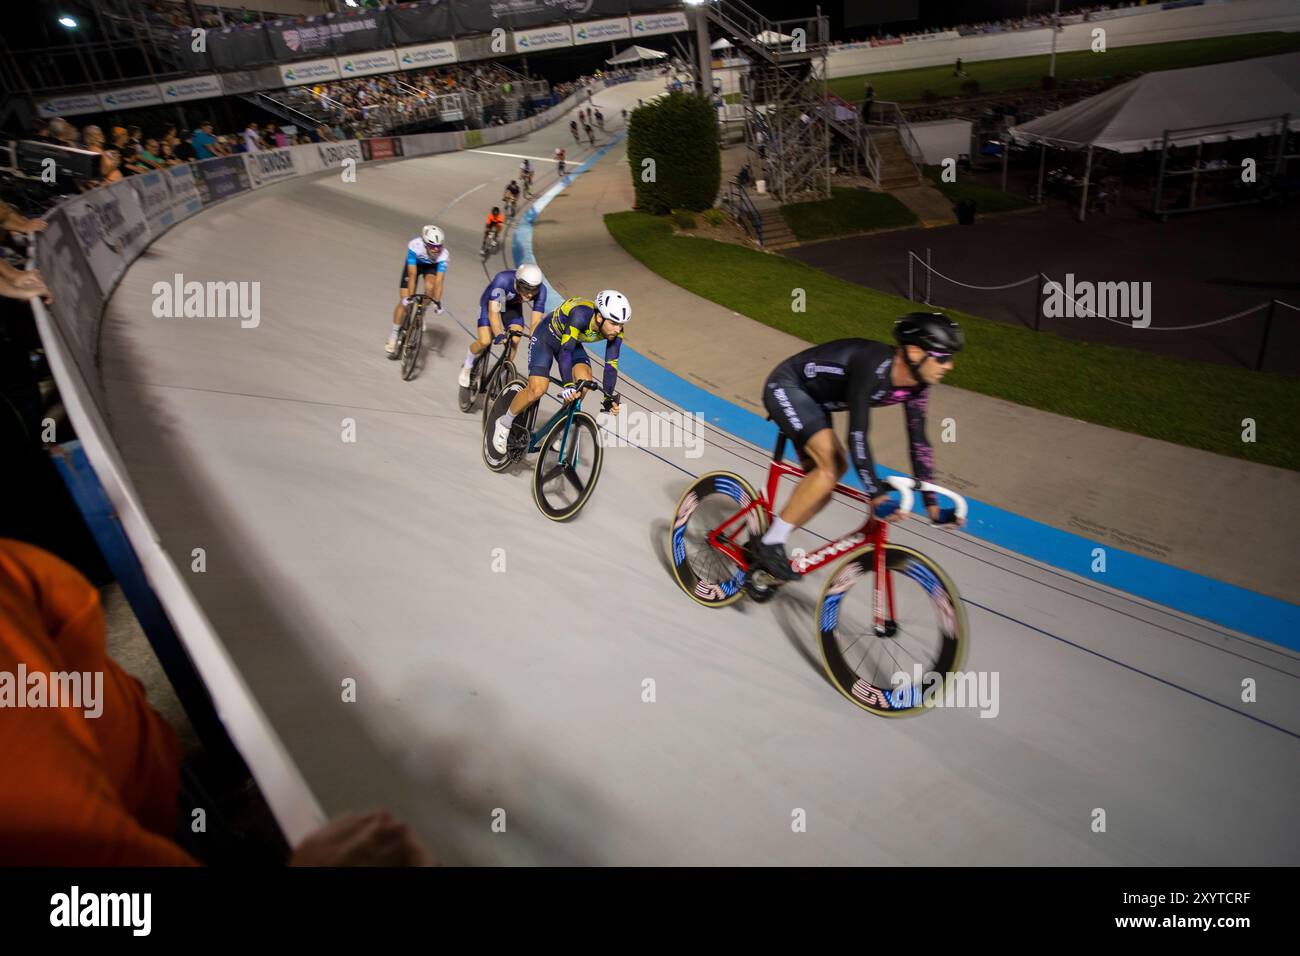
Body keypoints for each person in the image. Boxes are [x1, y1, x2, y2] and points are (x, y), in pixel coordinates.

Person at [749, 312, 965, 581]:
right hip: (787, 386)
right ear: (913, 351)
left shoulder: (916, 387)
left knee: (824, 488)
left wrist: (931, 505)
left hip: (814, 403)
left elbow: (919, 442)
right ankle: (770, 543)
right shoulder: (873, 363)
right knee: (830, 467)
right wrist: (875, 493)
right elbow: (858, 435)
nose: (949, 366)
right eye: (943, 357)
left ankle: (768, 542)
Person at [491, 291, 630, 455]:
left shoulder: (616, 332)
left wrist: (608, 398)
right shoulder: (580, 314)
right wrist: (568, 385)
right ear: (599, 317)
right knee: (538, 389)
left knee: (584, 383)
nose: (618, 328)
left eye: (621, 324)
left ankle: (558, 428)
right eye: (614, 323)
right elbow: (565, 352)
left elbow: (610, 367)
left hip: (570, 342)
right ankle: (504, 422)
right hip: (546, 338)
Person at [457, 264, 549, 390]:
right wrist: (499, 333)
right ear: (517, 282)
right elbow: (494, 312)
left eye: (534, 291)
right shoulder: (503, 280)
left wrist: (533, 341)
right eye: (526, 289)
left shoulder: (542, 290)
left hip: (511, 307)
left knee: (515, 339)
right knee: (485, 340)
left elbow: (536, 321)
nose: (529, 295)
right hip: (491, 303)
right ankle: (467, 365)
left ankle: (502, 373)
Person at [386, 224, 448, 357]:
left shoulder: (444, 255)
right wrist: (410, 297)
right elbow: (413, 274)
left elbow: (439, 281)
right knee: (404, 302)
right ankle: (394, 334)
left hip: (430, 268)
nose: (436, 250)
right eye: (432, 246)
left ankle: (422, 312)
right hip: (414, 266)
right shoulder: (415, 245)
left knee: (430, 287)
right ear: (425, 244)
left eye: (439, 246)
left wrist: (437, 302)